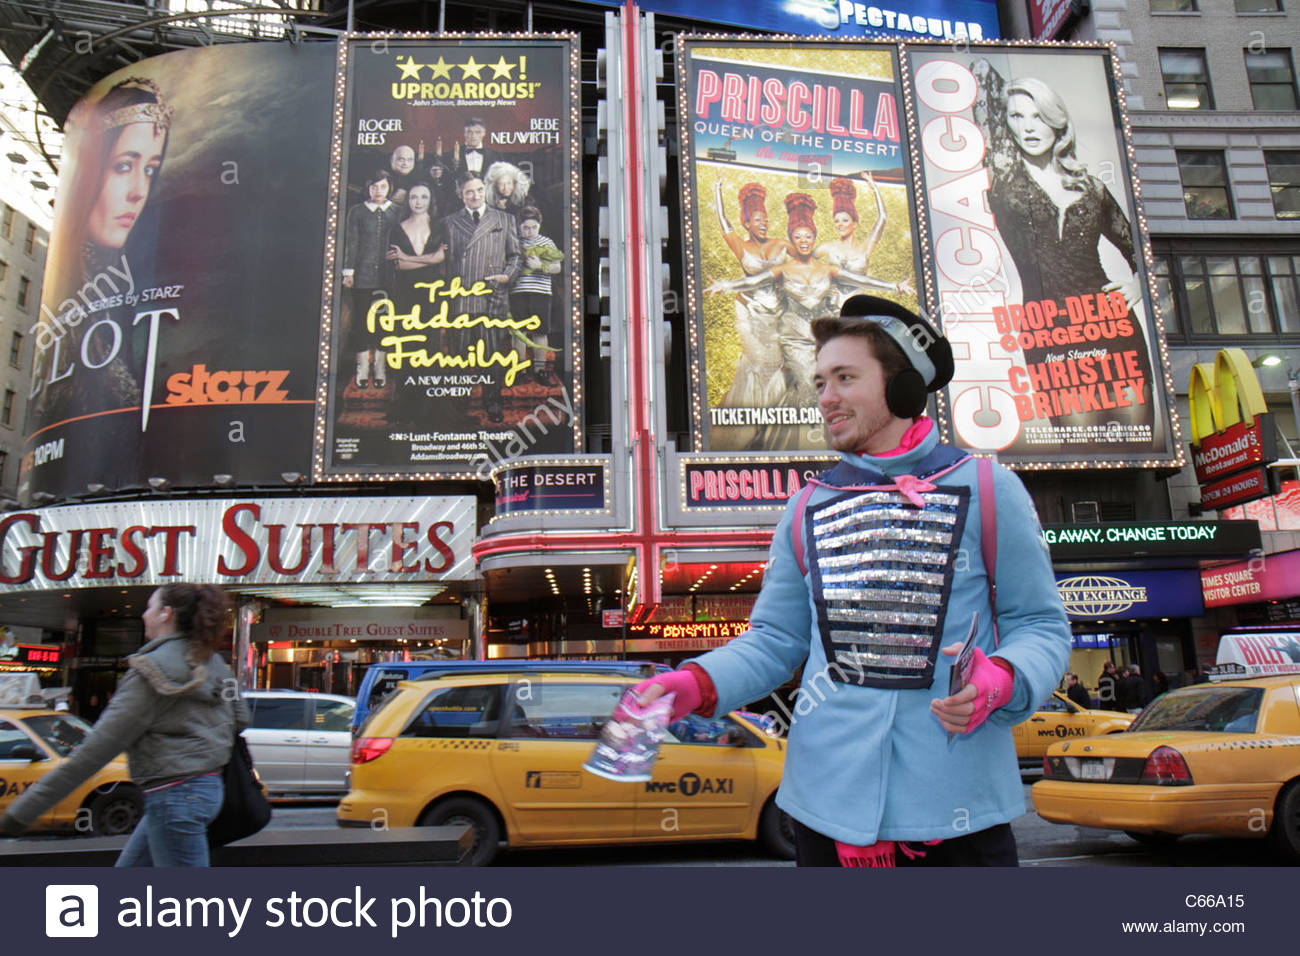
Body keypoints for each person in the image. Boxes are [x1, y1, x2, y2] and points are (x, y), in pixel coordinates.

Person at [632, 295, 1071, 866]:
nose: (826, 398)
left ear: (905, 389)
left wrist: (1006, 680)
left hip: (958, 819)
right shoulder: (806, 507)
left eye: (844, 377)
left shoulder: (990, 488)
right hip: (824, 818)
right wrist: (694, 684)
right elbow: (774, 641)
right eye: (818, 383)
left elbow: (1039, 624)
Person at [0, 584, 248, 867]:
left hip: (173, 796)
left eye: (149, 607)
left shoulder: (148, 671)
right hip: (206, 789)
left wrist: (25, 810)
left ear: (166, 614)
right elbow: (241, 718)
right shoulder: (217, 664)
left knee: (188, 907)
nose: (144, 615)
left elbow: (97, 748)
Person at [972, 62, 1154, 433]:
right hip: (1049, 331)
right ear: (1005, 124)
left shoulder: (1091, 187)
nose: (1028, 127)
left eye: (1039, 116)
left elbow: (1139, 250)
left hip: (1112, 325)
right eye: (1017, 116)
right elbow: (982, 84)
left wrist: (1137, 285)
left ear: (1057, 121)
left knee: (1140, 437)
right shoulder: (1003, 180)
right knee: (1084, 441)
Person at [707, 193, 904, 449]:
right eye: (798, 237)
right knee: (807, 388)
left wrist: (894, 286)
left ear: (814, 239)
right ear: (792, 240)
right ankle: (803, 447)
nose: (803, 241)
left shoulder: (827, 270)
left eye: (807, 236)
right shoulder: (783, 269)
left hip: (822, 342)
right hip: (793, 340)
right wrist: (726, 285)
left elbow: (862, 281)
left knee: (824, 389)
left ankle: (826, 443)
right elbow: (754, 281)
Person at [30, 76, 171, 428]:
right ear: (89, 172)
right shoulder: (65, 287)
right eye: (124, 166)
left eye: (150, 170)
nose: (139, 190)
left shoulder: (136, 285)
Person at [440, 171, 521, 423]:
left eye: (478, 190)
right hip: (461, 296)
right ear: (460, 194)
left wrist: (507, 277)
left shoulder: (504, 219)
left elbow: (516, 256)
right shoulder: (449, 222)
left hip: (492, 295)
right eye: (468, 191)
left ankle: (493, 403)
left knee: (490, 355)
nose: (474, 195)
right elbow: (444, 261)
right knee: (459, 355)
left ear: (485, 190)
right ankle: (458, 406)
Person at [712, 180, 788, 442]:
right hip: (751, 313)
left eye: (765, 218)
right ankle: (750, 433)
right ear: (747, 223)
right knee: (756, 366)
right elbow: (723, 222)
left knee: (781, 368)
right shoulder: (741, 246)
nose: (764, 223)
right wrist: (717, 191)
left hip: (779, 315)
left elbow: (805, 258)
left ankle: (776, 430)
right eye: (758, 219)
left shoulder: (781, 243)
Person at [342, 168, 403, 389]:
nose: (378, 191)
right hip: (362, 275)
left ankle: (380, 368)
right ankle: (362, 368)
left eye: (383, 186)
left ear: (390, 188)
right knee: (361, 322)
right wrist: (349, 272)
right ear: (368, 188)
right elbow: (351, 242)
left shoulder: (397, 211)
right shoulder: (357, 212)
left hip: (389, 276)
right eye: (374, 186)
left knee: (383, 322)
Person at [816, 173, 912, 307]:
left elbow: (882, 218)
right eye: (836, 221)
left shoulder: (865, 248)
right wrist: (823, 287)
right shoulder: (827, 247)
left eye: (845, 220)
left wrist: (874, 188)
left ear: (854, 223)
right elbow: (802, 267)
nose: (840, 224)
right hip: (829, 308)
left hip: (856, 309)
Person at [510, 206, 564, 385]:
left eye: (533, 227)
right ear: (519, 226)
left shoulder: (547, 243)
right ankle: (520, 369)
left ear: (539, 225)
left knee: (540, 331)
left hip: (541, 292)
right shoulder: (514, 242)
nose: (529, 231)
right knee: (519, 332)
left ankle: (540, 369)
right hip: (518, 292)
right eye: (525, 227)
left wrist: (540, 265)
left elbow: (558, 267)